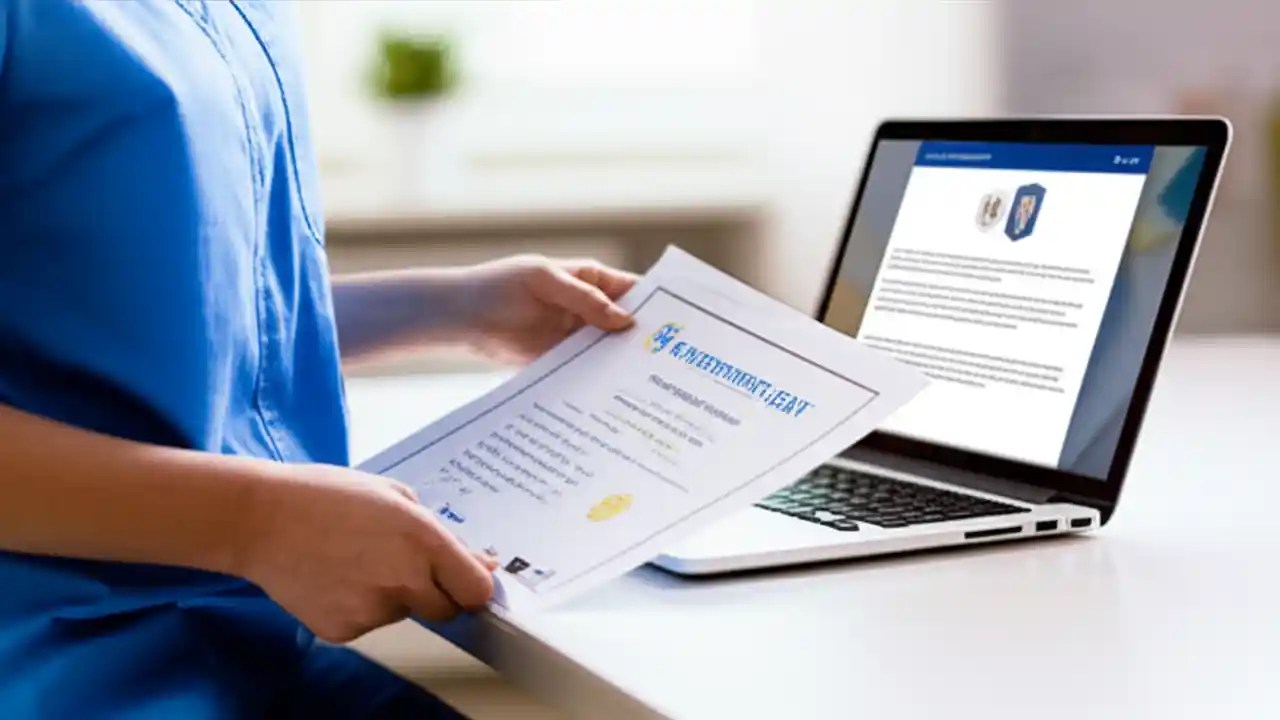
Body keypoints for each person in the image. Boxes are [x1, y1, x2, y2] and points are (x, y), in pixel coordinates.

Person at [0, 1, 636, 717]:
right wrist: (254, 523)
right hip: (63, 676)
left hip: (238, 651)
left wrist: (456, 307)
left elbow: (153, 310)